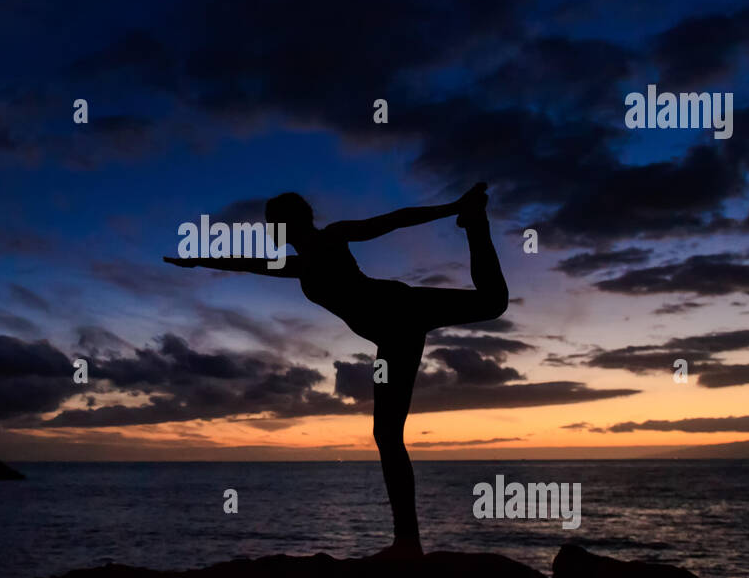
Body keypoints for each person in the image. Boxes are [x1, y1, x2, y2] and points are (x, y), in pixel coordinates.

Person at [164, 182, 508, 557]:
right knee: (387, 434)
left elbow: (393, 221)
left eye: (273, 223)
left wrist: (451, 208)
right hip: (393, 335)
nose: (269, 231)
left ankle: (473, 219)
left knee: (492, 304)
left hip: (402, 308)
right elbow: (249, 264)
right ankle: (407, 542)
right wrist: (198, 260)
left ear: (291, 222)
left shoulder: (332, 237)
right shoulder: (297, 264)